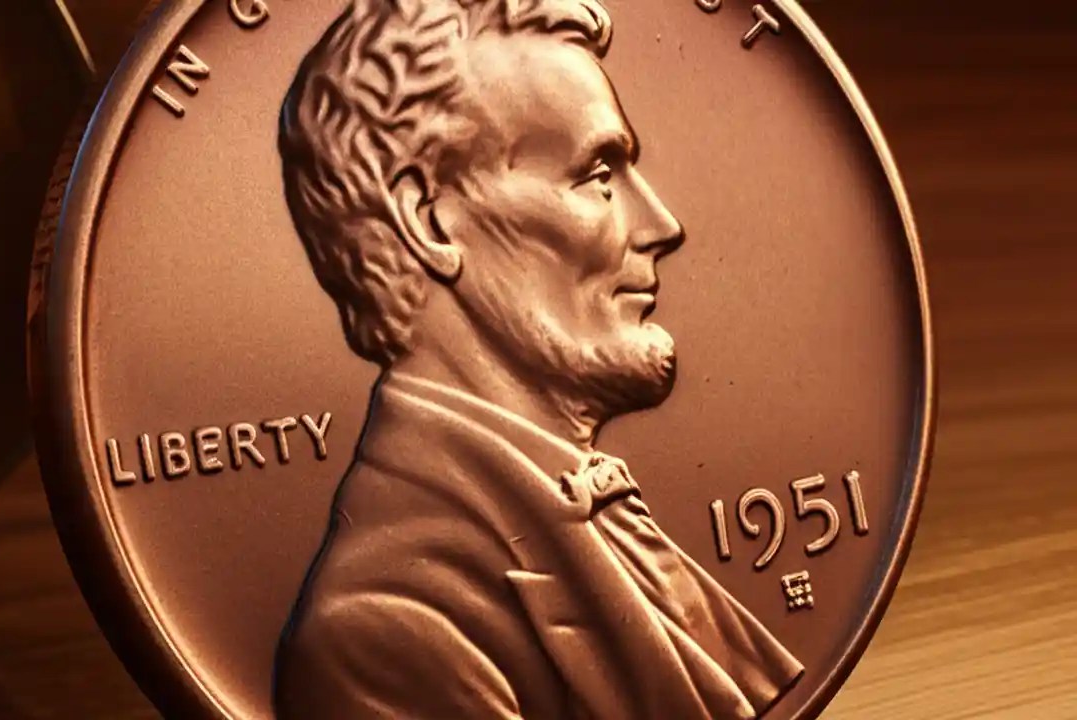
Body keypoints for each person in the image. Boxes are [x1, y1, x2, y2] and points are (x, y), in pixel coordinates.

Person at [272, 0, 803, 717]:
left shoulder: (579, 513)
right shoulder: (382, 630)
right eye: (597, 175)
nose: (662, 226)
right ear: (428, 221)